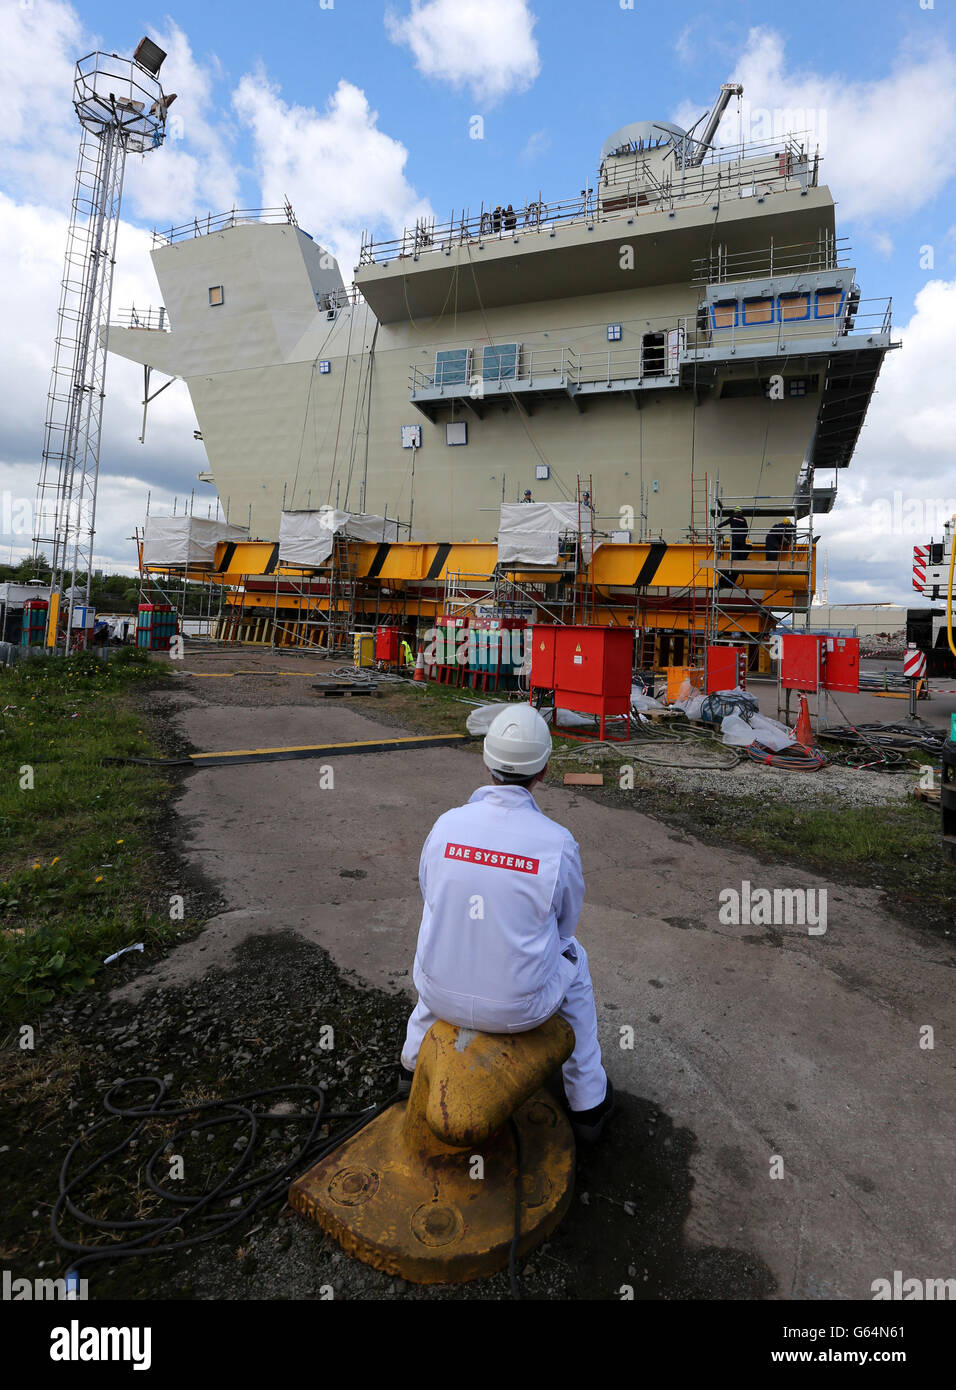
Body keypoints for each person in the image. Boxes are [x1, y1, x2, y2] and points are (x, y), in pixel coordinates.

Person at [400, 705, 614, 1143]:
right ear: (544, 770)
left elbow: (430, 892)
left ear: (486, 761)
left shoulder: (445, 826)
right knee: (575, 955)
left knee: (446, 932)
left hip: (439, 994)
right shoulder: (557, 843)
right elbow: (565, 927)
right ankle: (588, 1102)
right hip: (521, 1010)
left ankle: (407, 1069)